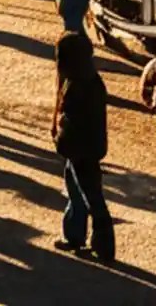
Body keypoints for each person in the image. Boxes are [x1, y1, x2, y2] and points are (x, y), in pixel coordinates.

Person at [51, 31, 115, 263]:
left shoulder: (76, 86)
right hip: (90, 148)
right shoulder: (93, 81)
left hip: (80, 151)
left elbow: (71, 125)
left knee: (91, 198)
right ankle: (75, 235)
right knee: (78, 191)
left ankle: (103, 245)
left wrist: (60, 140)